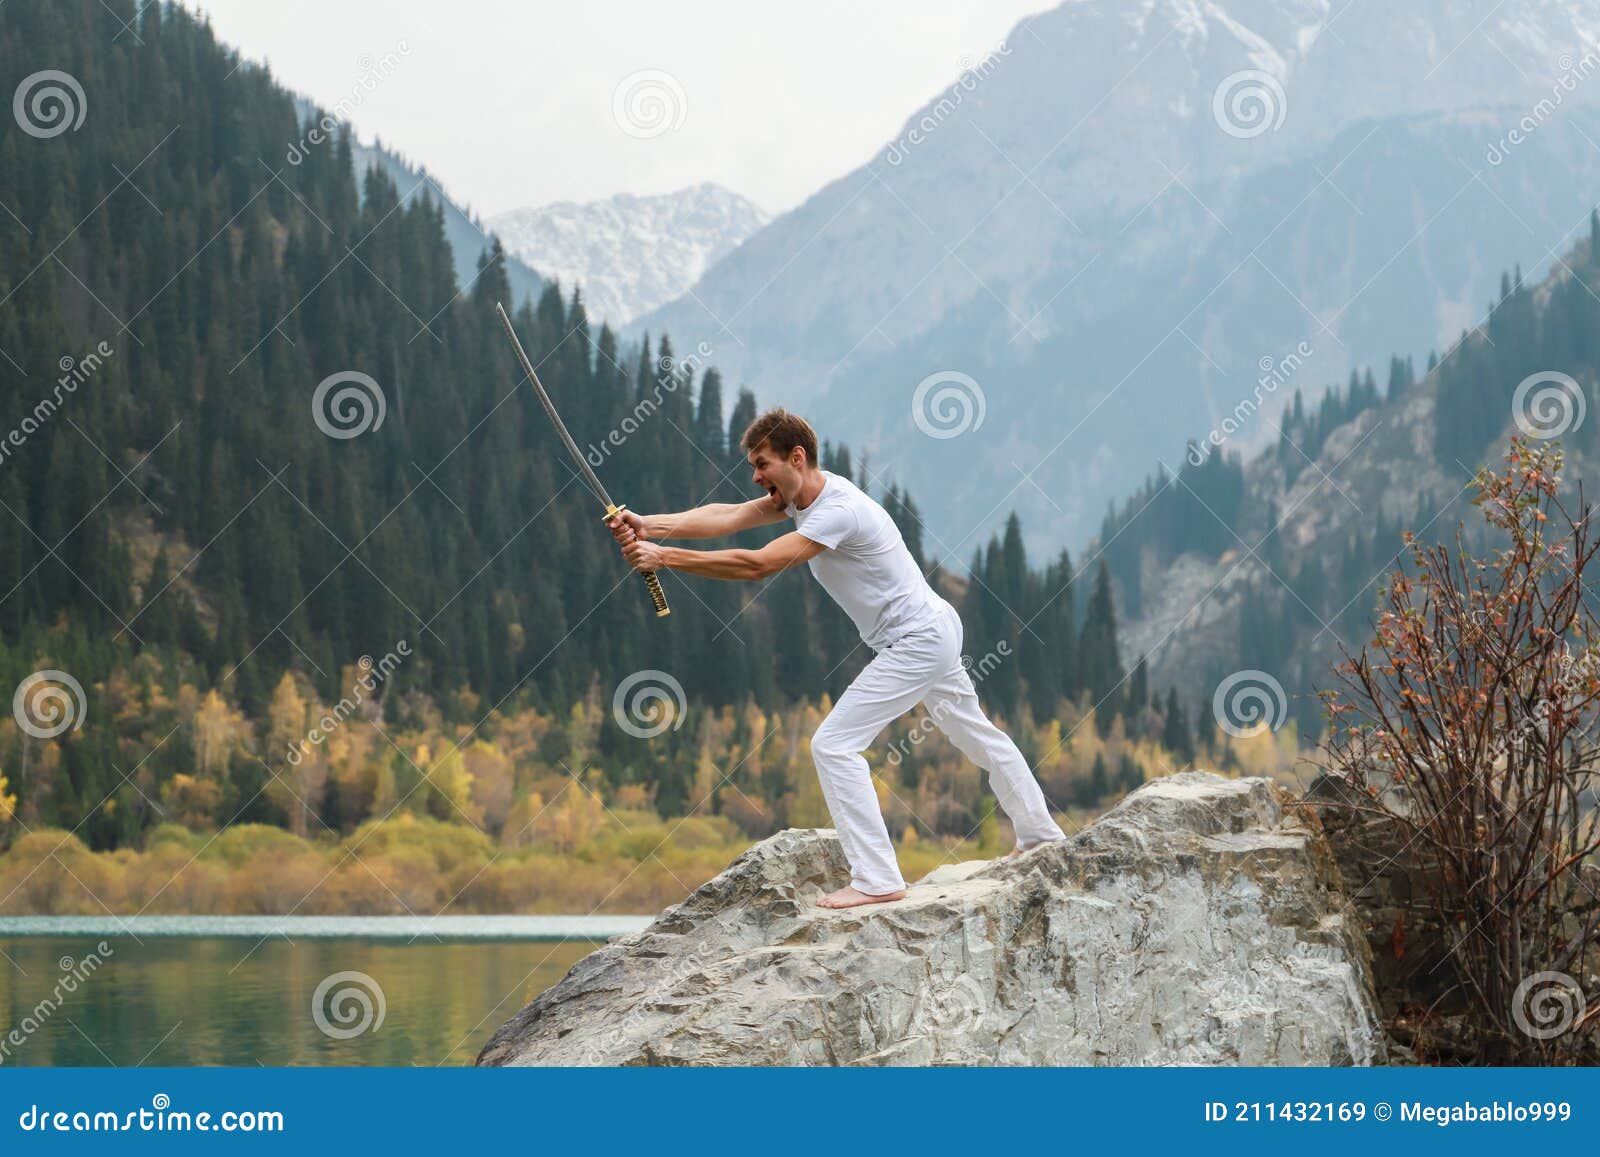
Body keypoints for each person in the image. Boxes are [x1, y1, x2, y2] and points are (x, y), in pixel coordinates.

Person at [606, 408, 1065, 909]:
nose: (757, 478)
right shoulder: (800, 497)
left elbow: (759, 566)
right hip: (932, 627)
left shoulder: (836, 510)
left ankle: (876, 878)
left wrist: (665, 558)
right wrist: (649, 525)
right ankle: (1040, 834)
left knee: (833, 745)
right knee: (972, 730)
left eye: (762, 465)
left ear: (796, 458)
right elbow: (729, 516)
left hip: (917, 639)